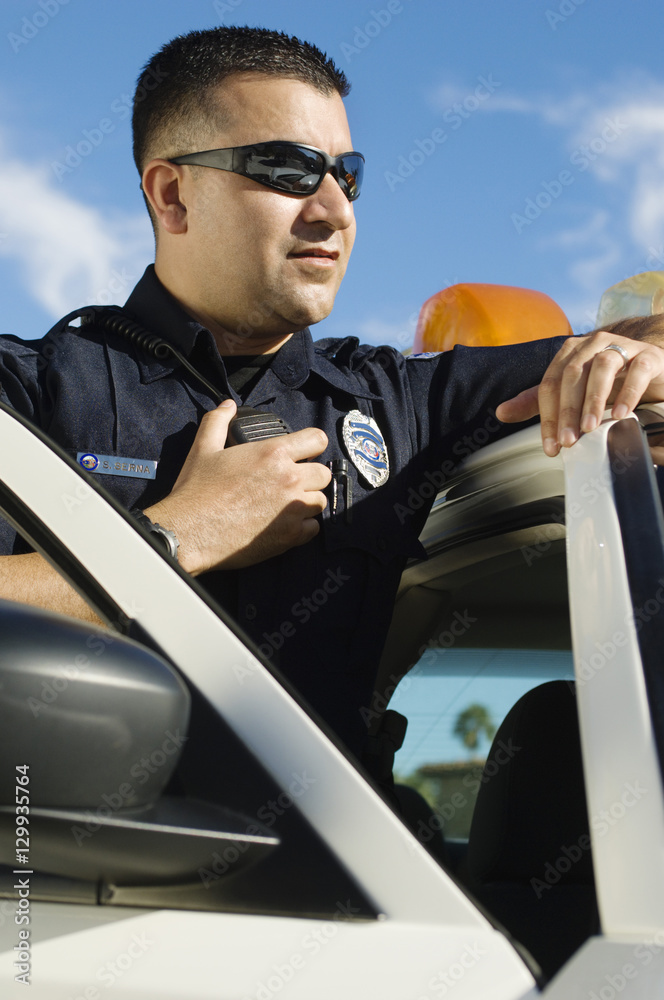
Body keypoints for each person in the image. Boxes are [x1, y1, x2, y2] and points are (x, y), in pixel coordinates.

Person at [1, 25, 664, 760]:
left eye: (345, 175)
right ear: (172, 194)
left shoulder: (400, 402)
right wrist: (176, 538)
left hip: (365, 870)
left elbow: (638, 346)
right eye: (286, 168)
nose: (334, 209)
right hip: (83, 870)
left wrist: (635, 351)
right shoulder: (27, 396)